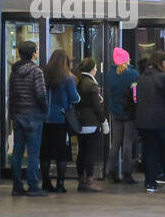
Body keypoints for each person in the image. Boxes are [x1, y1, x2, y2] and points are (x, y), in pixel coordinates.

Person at [135, 50, 165, 193]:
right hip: (162, 120)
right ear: (162, 63)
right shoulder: (163, 77)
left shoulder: (142, 77)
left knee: (149, 152)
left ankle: (150, 183)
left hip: (143, 121)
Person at [8, 40, 48, 196]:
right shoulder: (36, 71)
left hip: (18, 114)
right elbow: (41, 94)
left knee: (17, 152)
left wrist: (12, 113)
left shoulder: (14, 71)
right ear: (33, 54)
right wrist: (45, 109)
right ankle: (33, 186)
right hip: (33, 115)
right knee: (33, 153)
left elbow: (11, 95)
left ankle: (17, 186)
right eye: (36, 50)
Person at [40, 49, 80, 193]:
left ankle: (45, 183)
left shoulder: (43, 75)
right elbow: (75, 98)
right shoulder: (67, 78)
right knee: (61, 154)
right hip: (60, 120)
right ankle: (60, 184)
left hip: (44, 120)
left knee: (45, 153)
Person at [104, 47, 140, 184]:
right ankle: (127, 173)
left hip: (115, 111)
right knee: (128, 143)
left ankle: (110, 171)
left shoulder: (109, 75)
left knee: (116, 142)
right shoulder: (134, 74)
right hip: (129, 112)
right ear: (127, 59)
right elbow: (135, 95)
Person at [73, 57, 106, 192]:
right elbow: (97, 107)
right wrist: (103, 120)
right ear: (92, 69)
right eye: (96, 67)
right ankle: (90, 180)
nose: (97, 69)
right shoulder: (91, 84)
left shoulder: (78, 81)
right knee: (90, 153)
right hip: (91, 121)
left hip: (79, 121)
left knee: (82, 151)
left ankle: (81, 180)